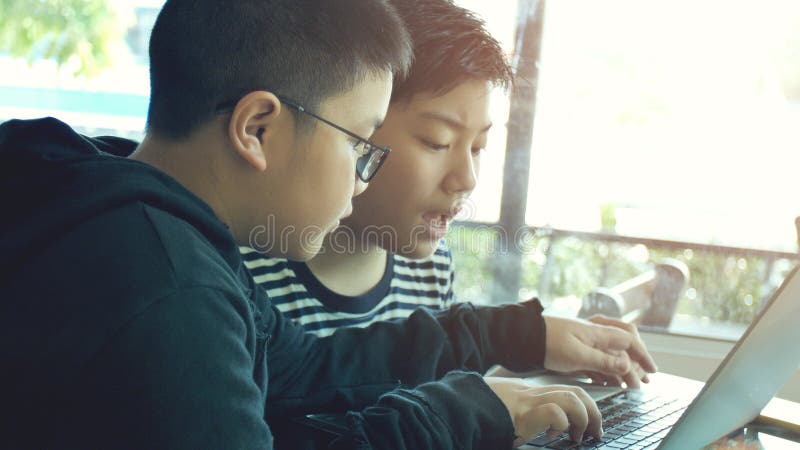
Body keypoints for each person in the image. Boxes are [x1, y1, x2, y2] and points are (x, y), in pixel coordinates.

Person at [0, 0, 651, 449]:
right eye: (361, 141)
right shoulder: (168, 291)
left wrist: (513, 337)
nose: (363, 176)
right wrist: (457, 414)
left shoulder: (124, 200)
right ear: (258, 128)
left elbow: (317, 369)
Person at [240, 0, 654, 388]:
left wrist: (537, 365)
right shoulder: (245, 279)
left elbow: (423, 391)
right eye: (437, 142)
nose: (467, 178)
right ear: (361, 127)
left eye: (478, 148)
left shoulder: (430, 269)